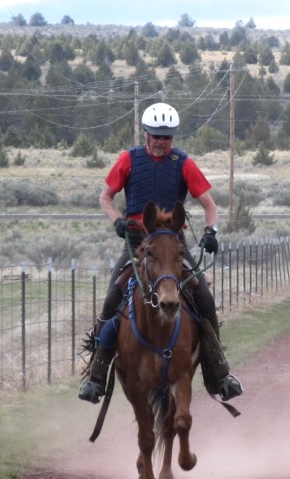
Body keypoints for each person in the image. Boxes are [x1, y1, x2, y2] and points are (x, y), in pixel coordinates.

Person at [78, 102, 243, 404]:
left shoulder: (183, 163)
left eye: (167, 136)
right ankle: (96, 375)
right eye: (156, 135)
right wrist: (117, 222)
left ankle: (219, 373)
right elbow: (105, 196)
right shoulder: (128, 159)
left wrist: (211, 233)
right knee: (113, 299)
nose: (161, 141)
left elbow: (210, 205)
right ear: (146, 134)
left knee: (204, 298)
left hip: (172, 244)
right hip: (138, 244)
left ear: (173, 138)